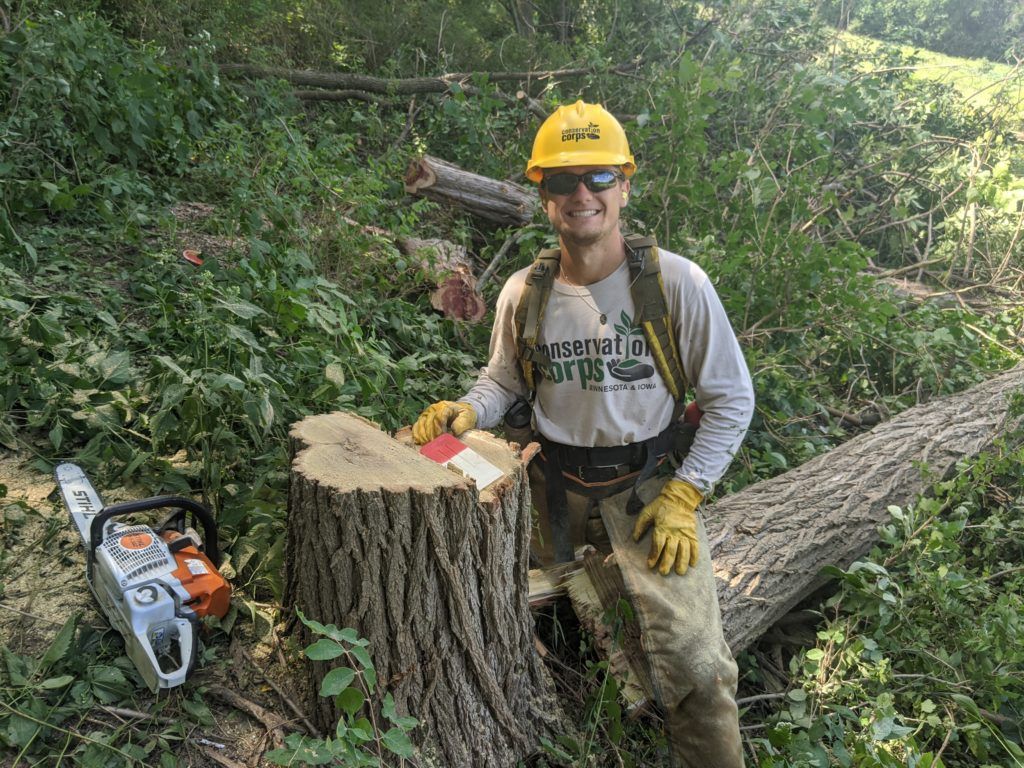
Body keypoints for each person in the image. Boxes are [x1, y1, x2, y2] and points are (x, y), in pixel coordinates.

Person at [412, 100, 754, 768]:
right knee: (504, 631)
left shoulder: (676, 284)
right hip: (550, 492)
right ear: (542, 195)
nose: (581, 194)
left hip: (645, 495)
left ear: (625, 183)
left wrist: (686, 495)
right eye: (561, 181)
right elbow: (504, 381)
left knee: (701, 670)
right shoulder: (525, 291)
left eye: (597, 176)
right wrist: (467, 412)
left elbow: (731, 400)